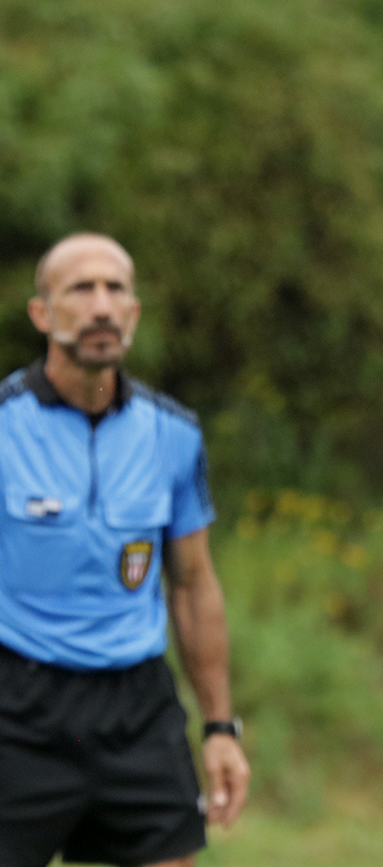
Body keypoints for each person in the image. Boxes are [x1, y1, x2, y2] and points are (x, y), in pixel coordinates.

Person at [0, 234, 250, 867]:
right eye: (81, 289)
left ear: (134, 313)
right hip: (18, 707)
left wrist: (220, 728)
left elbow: (192, 584)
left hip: (138, 710)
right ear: (41, 313)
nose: (101, 306)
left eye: (116, 290)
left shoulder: (174, 435)